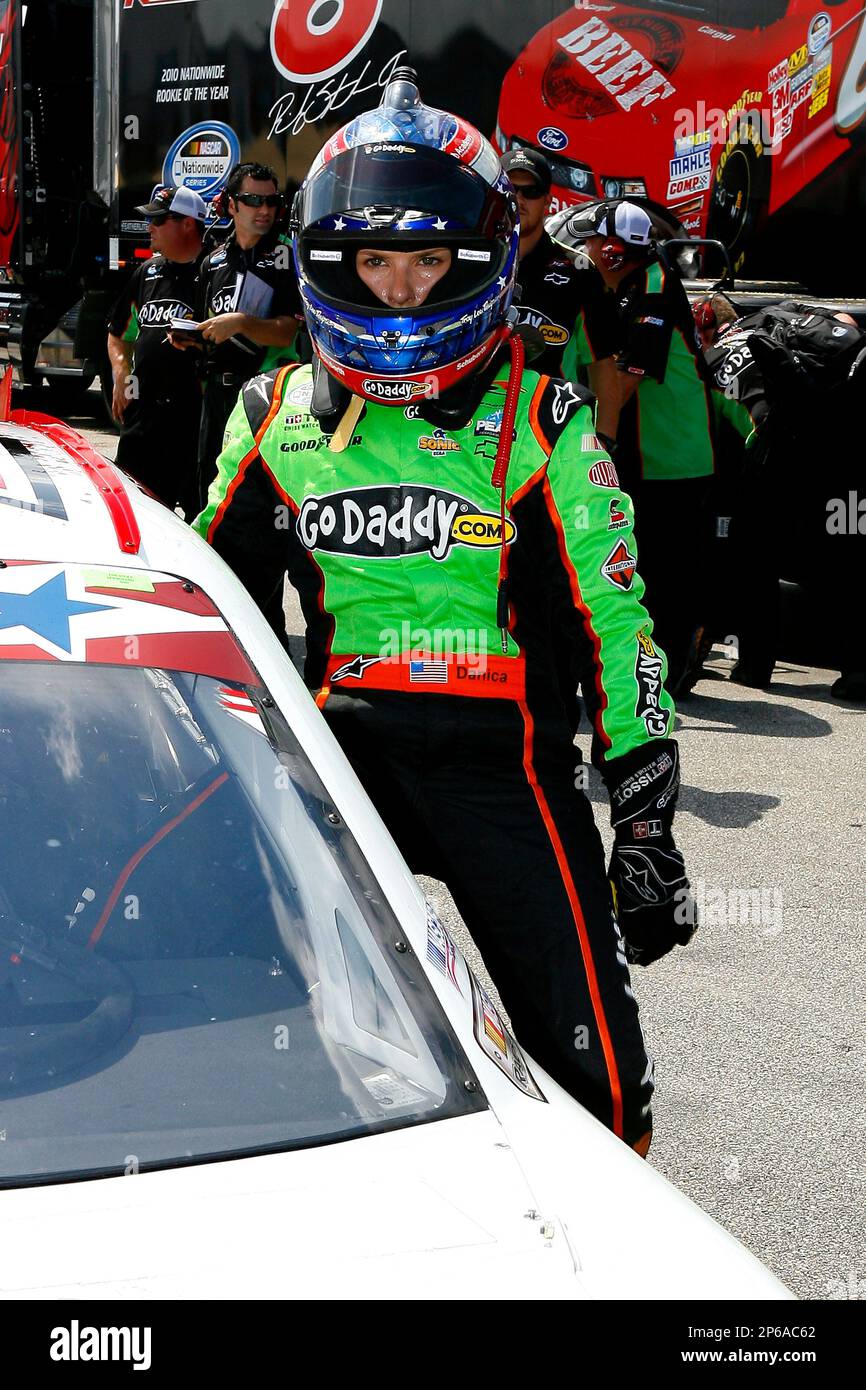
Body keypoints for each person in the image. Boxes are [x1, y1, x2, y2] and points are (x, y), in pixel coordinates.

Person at [195, 70, 698, 1153]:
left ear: (479, 263)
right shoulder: (270, 412)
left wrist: (646, 821)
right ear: (326, 263)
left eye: (429, 260)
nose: (401, 291)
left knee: (601, 1083)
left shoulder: (544, 416)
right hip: (336, 766)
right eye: (372, 261)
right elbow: (205, 612)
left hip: (504, 767)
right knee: (257, 1052)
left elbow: (618, 628)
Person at [556, 201, 718, 694]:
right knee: (632, 562)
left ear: (612, 249)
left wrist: (575, 424)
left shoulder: (651, 285)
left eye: (588, 243)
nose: (581, 251)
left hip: (673, 456)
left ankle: (671, 674)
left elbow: (626, 378)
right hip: (639, 452)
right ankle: (635, 667)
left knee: (669, 570)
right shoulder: (621, 286)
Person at [696, 293, 865, 698]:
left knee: (754, 561)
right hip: (844, 450)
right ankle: (859, 668)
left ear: (703, 329)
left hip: (783, 458)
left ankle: (755, 667)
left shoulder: (717, 355)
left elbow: (746, 424)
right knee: (843, 562)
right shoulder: (784, 320)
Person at [190, 162, 301, 506]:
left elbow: (286, 333)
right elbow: (204, 323)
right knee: (210, 488)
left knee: (261, 496)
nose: (265, 210)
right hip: (217, 393)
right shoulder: (213, 261)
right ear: (231, 204)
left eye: (272, 202)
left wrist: (239, 323)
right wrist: (190, 336)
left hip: (267, 395)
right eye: (254, 200)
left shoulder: (288, 255)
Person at [499, 148, 621, 443]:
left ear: (548, 202)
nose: (520, 199)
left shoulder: (579, 271)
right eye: (512, 189)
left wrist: (603, 438)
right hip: (474, 427)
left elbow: (603, 365)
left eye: (532, 191)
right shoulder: (471, 260)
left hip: (550, 432)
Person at [106, 185, 205, 519]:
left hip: (197, 418)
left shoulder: (215, 272)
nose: (150, 228)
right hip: (145, 420)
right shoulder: (147, 273)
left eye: (158, 221)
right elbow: (119, 336)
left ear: (188, 224)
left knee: (202, 521)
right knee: (134, 513)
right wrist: (121, 376)